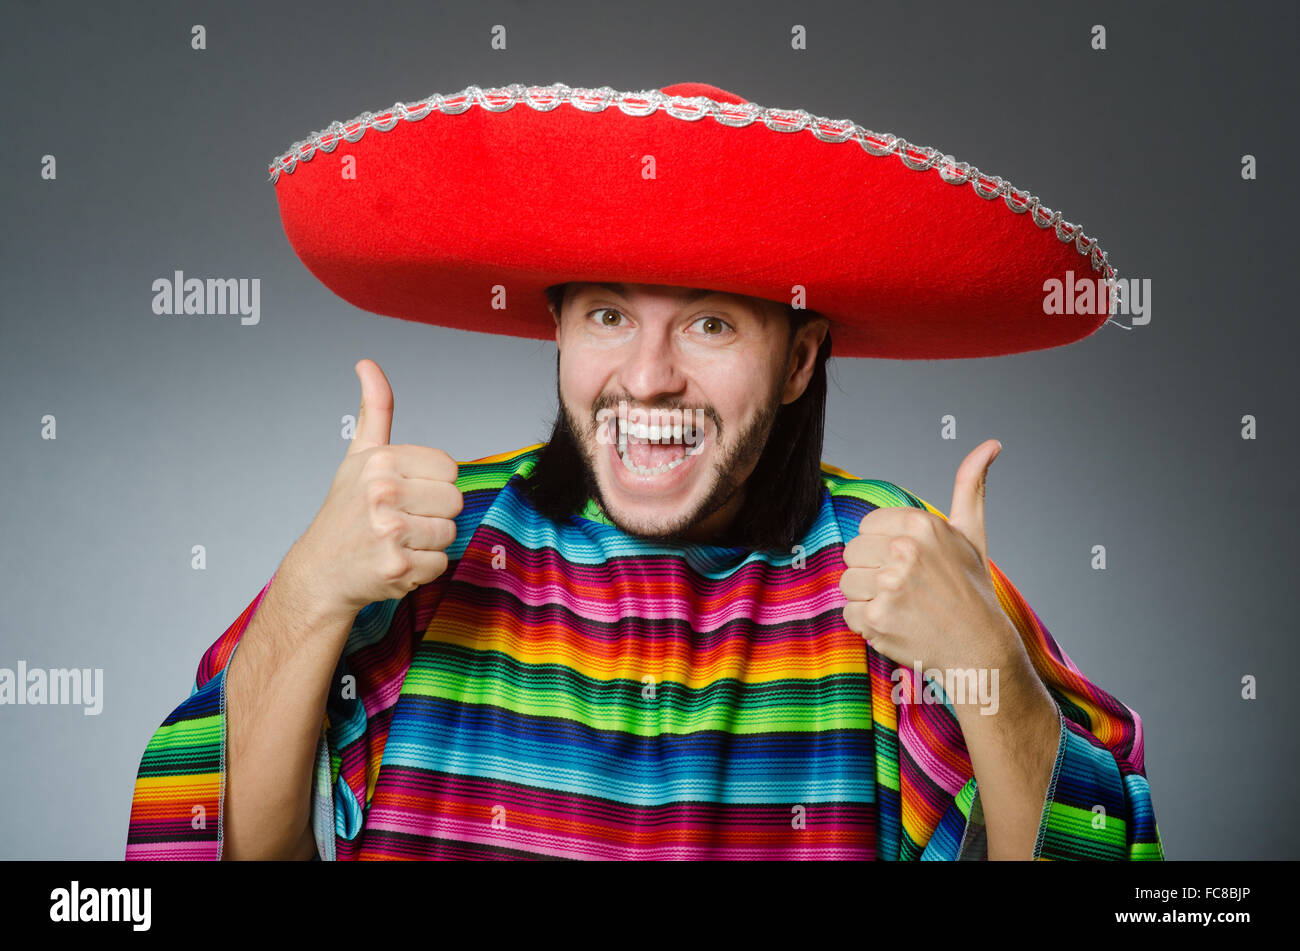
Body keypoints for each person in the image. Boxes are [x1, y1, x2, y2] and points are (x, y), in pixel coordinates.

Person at [125, 82, 1163, 861]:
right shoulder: (416, 543)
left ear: (799, 361)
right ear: (561, 331)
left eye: (710, 323)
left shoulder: (903, 568)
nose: (648, 378)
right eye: (609, 315)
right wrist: (311, 590)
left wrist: (989, 668)